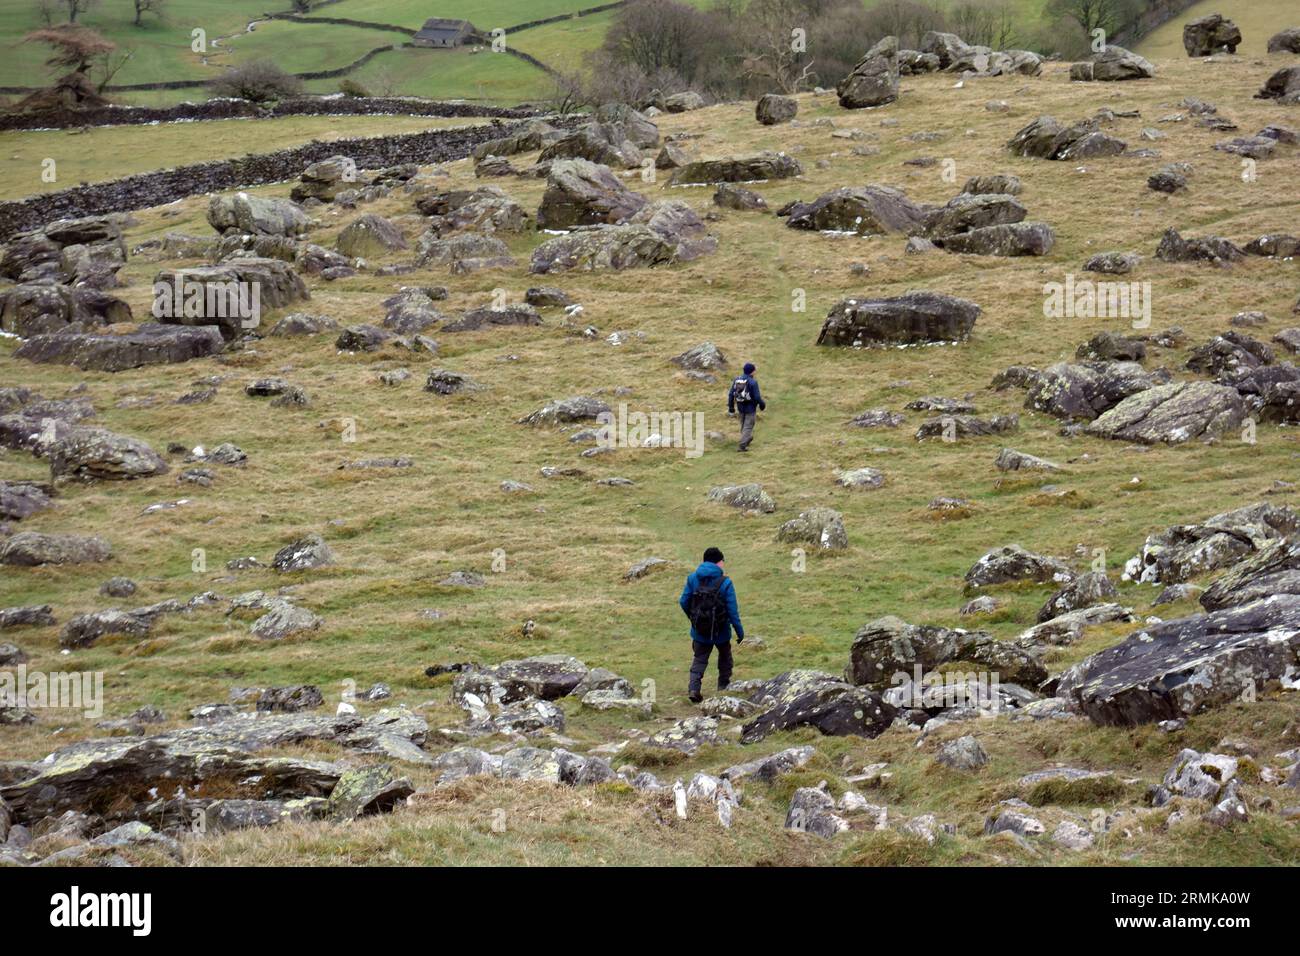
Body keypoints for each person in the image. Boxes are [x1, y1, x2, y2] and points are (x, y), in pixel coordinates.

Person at [678, 546, 744, 703]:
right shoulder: (726, 582)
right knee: (725, 658)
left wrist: (694, 618)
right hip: (721, 630)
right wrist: (739, 631)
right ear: (718, 562)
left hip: (700, 630)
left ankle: (694, 689)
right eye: (722, 561)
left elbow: (683, 601)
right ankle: (723, 687)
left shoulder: (693, 578)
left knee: (699, 659)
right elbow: (732, 610)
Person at [727, 362, 766, 452]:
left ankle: (747, 437)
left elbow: (731, 394)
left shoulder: (737, 380)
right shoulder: (753, 382)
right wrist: (762, 404)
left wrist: (731, 408)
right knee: (748, 426)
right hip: (750, 408)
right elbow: (757, 397)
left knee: (744, 425)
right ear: (752, 372)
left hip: (740, 406)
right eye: (754, 370)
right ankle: (742, 445)